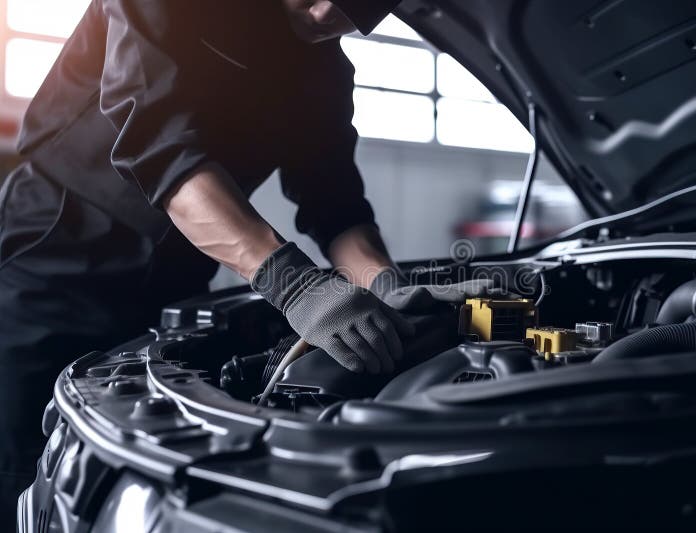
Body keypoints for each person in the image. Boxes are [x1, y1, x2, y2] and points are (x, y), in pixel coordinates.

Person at [0, 0, 407, 517]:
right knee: (25, 475)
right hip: (51, 266)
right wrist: (296, 285)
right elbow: (159, 149)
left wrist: (389, 286)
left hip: (170, 297)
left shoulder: (323, 72)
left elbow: (337, 208)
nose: (328, 11)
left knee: (131, 485)